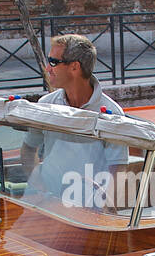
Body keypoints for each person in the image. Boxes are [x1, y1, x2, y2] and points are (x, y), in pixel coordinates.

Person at [20, 34, 129, 207]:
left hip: (86, 211)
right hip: (45, 206)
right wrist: (38, 187)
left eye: (53, 62)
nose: (47, 68)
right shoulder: (46, 104)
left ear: (74, 67)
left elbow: (118, 170)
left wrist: (103, 211)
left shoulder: (113, 114)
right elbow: (28, 149)